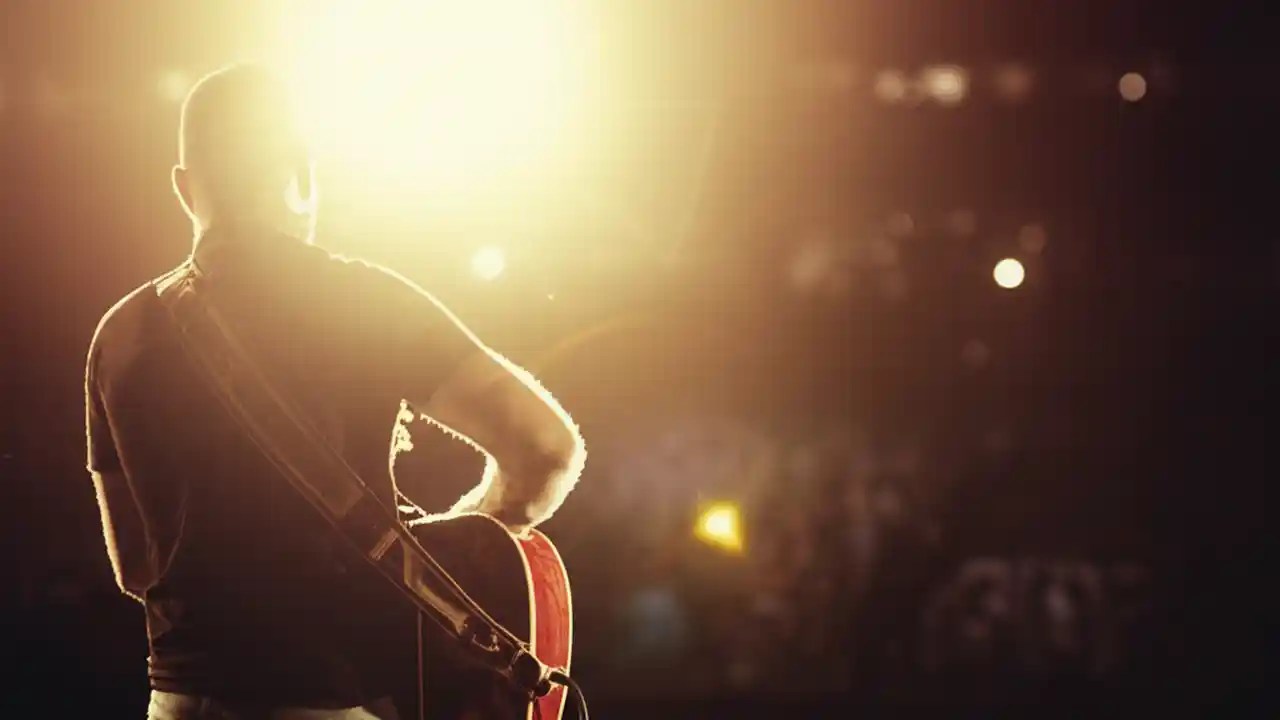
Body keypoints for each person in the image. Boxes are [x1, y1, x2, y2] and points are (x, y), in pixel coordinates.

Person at [84, 63, 586, 720]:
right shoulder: (362, 300)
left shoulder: (117, 335)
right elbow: (548, 450)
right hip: (325, 702)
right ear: (302, 171)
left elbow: (138, 570)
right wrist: (458, 540)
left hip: (174, 703)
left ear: (184, 189)